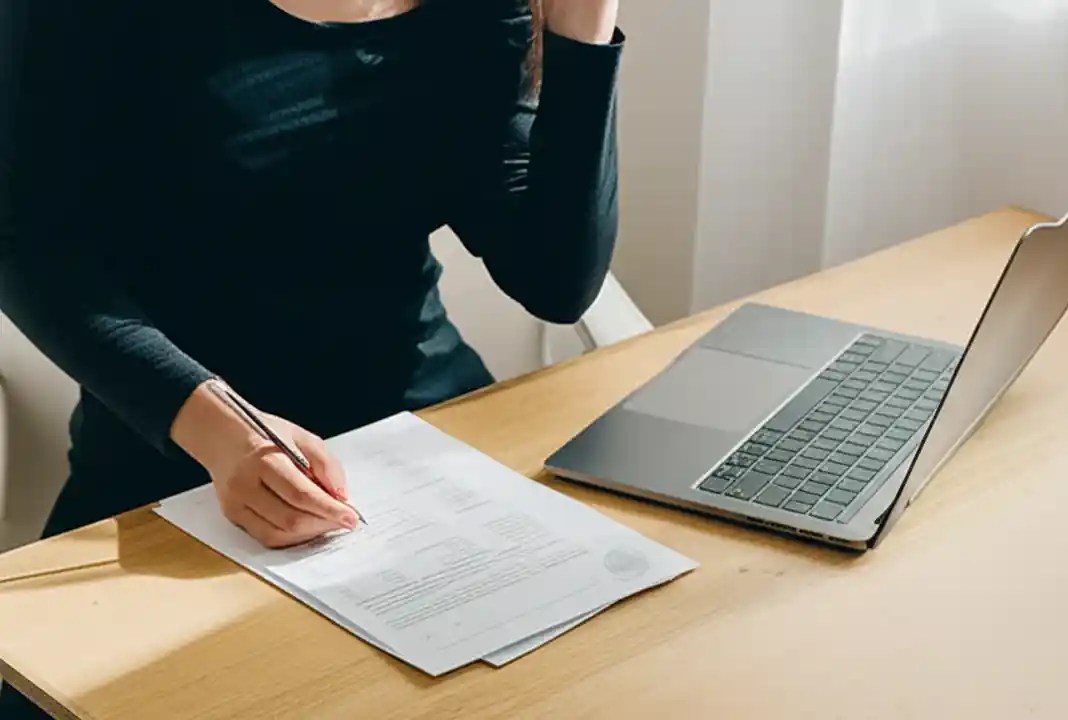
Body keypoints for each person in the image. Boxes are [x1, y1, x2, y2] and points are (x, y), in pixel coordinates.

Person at [0, 0, 621, 715]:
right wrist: (221, 428)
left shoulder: (476, 11)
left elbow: (556, 279)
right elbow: (31, 248)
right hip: (175, 463)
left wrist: (583, 35)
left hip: (421, 462)